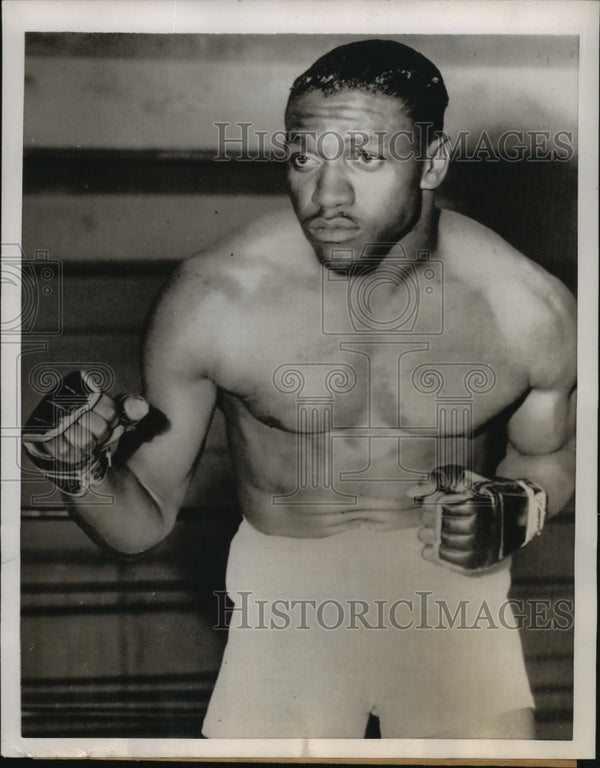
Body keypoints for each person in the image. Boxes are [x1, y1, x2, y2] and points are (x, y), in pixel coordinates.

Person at [23, 40, 576, 739]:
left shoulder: (526, 310)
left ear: (432, 161)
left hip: (453, 601)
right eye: (304, 156)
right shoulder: (215, 301)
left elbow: (549, 459)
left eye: (366, 159)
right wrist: (79, 473)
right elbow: (143, 521)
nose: (326, 194)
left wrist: (518, 505)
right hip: (286, 602)